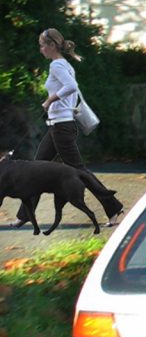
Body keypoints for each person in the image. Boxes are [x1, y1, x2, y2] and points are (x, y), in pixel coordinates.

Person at [36, 28, 119, 213]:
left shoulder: (56, 65)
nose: (41, 49)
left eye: (42, 46)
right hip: (58, 125)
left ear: (51, 45)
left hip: (62, 127)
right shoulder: (65, 64)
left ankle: (112, 207)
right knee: (36, 168)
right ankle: (23, 216)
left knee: (80, 171)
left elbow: (71, 86)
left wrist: (50, 100)